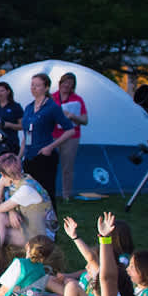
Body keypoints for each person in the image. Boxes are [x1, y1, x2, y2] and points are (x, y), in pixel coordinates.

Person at [19, 72, 76, 207]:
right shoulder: (28, 108)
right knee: (29, 192)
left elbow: (70, 130)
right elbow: (27, 133)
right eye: (32, 85)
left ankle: (51, 217)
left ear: (46, 88)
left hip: (44, 155)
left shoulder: (52, 107)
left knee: (46, 192)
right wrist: (19, 156)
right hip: (29, 155)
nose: (34, 88)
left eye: (37, 85)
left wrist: (50, 147)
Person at [0, 151, 57, 247]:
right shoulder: (23, 178)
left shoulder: (26, 190)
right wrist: (11, 211)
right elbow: (8, 202)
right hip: (30, 227)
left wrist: (0, 185)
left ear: (3, 175)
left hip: (41, 238)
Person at [53, 72, 89, 201]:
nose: (66, 85)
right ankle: (50, 193)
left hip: (71, 137)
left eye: (70, 84)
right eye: (65, 82)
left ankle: (66, 195)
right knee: (50, 165)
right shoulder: (52, 97)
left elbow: (85, 120)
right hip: (54, 135)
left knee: (67, 167)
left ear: (73, 86)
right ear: (60, 83)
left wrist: (72, 116)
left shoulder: (77, 99)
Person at [0, 81, 24, 153]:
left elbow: (22, 126)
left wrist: (8, 125)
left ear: (8, 91)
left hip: (10, 144)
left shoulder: (15, 107)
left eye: (2, 91)